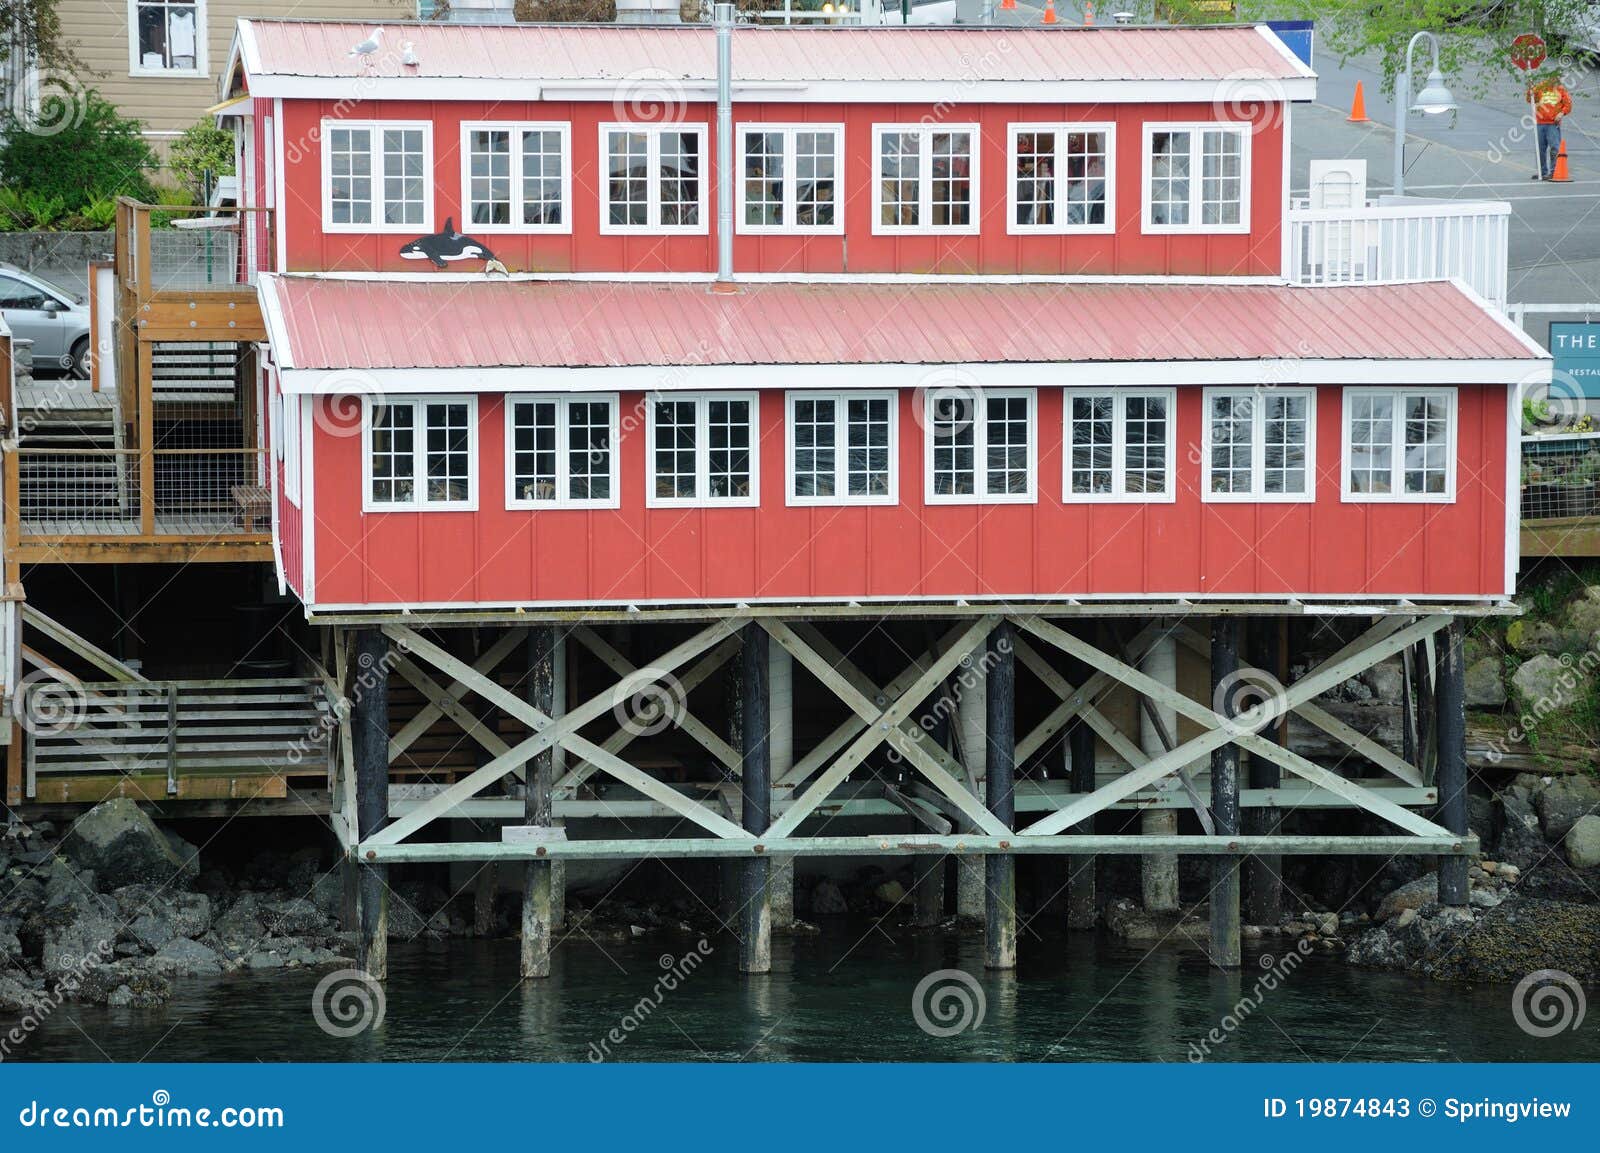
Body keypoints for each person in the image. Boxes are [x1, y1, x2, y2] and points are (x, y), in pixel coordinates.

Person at [1528, 75, 1572, 180]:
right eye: (1550, 77)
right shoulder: (1539, 88)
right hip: (1540, 123)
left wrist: (1561, 113)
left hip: (1553, 124)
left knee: (1555, 148)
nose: (1553, 80)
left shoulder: (1561, 90)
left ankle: (1554, 171)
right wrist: (1530, 91)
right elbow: (1530, 99)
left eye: (1555, 78)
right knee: (1540, 149)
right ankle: (1542, 172)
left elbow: (1568, 105)